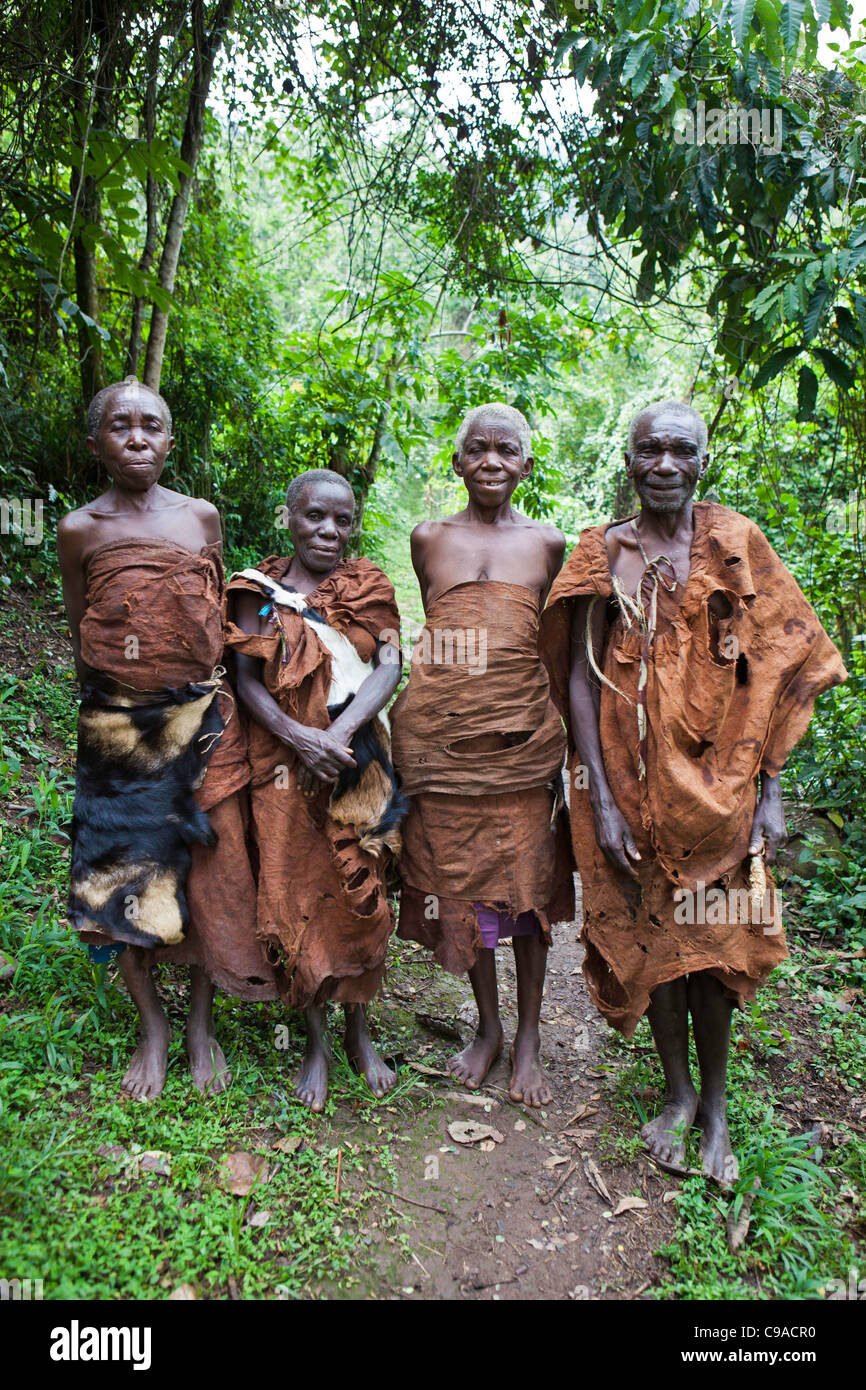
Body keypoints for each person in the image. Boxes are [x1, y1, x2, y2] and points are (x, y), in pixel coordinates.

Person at [540, 399, 847, 1181]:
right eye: (650, 450)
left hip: (721, 786)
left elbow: (790, 655)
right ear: (630, 460)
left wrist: (769, 786)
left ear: (702, 461)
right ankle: (675, 1095)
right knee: (654, 941)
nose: (665, 465)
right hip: (627, 780)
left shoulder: (736, 542)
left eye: (681, 450)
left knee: (715, 945)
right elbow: (577, 673)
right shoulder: (602, 552)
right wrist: (601, 796)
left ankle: (713, 1106)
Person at [58, 376, 278, 1102]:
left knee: (208, 873)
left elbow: (208, 614)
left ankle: (199, 1025)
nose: (137, 439)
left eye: (150, 426)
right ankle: (153, 1026)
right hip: (119, 727)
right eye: (119, 428)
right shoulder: (80, 529)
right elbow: (81, 626)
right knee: (126, 878)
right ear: (96, 446)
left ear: (170, 440)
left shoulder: (200, 519)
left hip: (202, 722)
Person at [391, 403, 575, 1107]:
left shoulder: (550, 545)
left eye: (507, 450)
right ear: (458, 461)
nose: (492, 461)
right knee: (463, 885)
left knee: (524, 894)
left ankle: (528, 1037)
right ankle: (488, 1027)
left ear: (527, 465)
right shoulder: (428, 538)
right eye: (478, 449)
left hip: (521, 746)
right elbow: (440, 635)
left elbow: (549, 646)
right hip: (440, 747)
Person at [226, 469, 404, 1112]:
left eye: (342, 520)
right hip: (282, 764)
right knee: (298, 890)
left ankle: (361, 1032)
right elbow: (244, 679)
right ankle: (317, 1043)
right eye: (314, 517)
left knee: (365, 889)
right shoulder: (256, 590)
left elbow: (390, 664)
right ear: (289, 517)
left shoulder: (367, 586)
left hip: (359, 759)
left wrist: (341, 733)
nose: (329, 531)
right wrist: (301, 740)